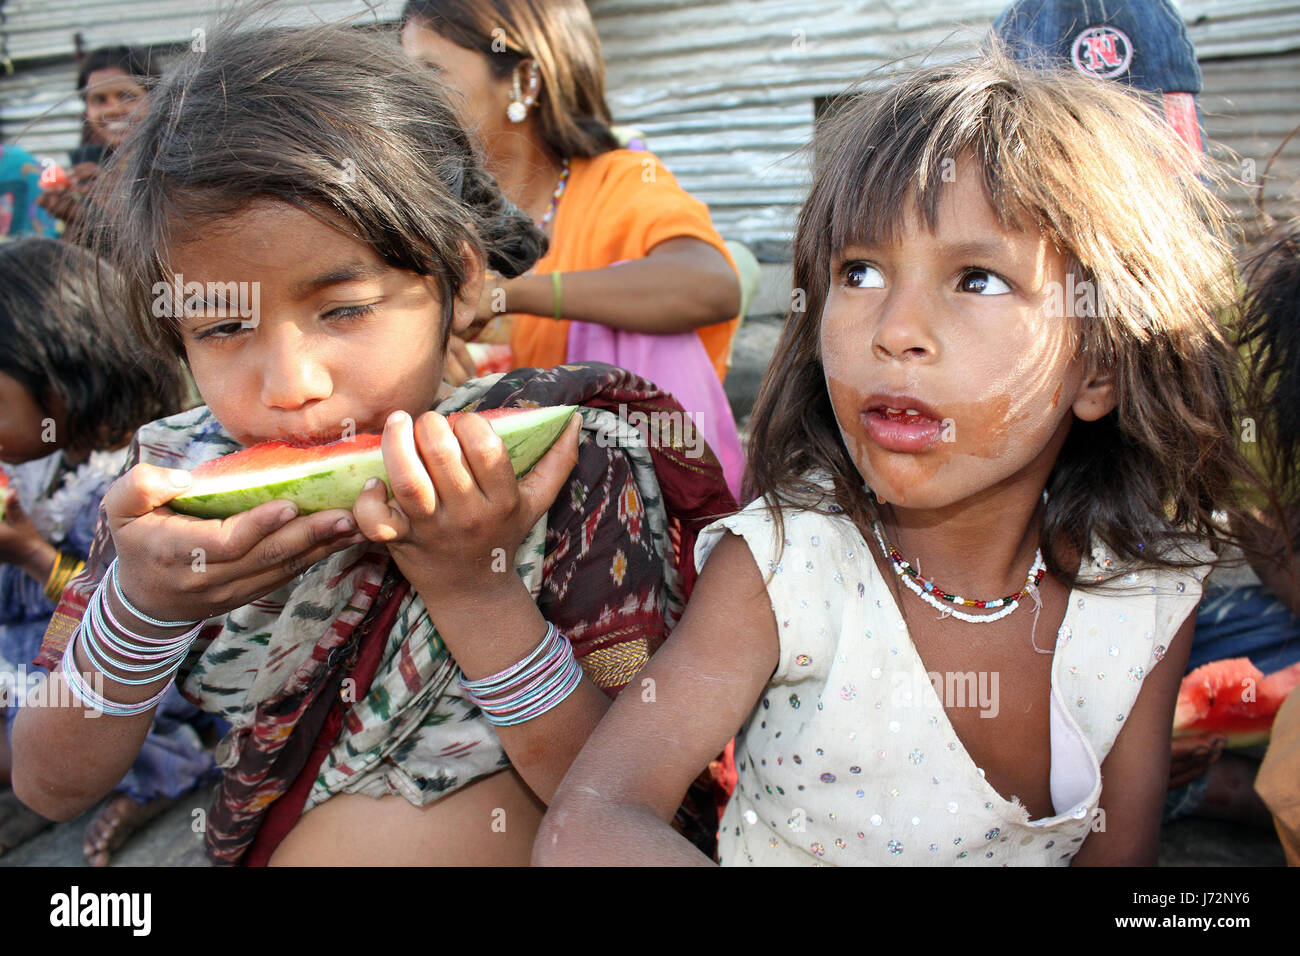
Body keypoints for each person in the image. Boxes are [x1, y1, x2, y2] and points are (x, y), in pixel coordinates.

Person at [10, 21, 735, 866]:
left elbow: (632, 808)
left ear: (461, 283)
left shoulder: (576, 466)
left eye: (344, 309)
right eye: (224, 325)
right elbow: (47, 785)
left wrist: (476, 592)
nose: (292, 383)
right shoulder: (171, 491)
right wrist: (142, 612)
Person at [533, 47, 1256, 866]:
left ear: (1098, 369)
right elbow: (591, 823)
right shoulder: (788, 567)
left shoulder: (1143, 598)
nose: (894, 330)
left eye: (978, 278)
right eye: (861, 270)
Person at [400, 0, 745, 494]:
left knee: (634, 315)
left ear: (524, 81)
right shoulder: (425, 210)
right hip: (470, 481)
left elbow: (710, 286)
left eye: (430, 72)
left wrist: (510, 294)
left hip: (615, 486)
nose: (409, 98)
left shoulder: (617, 183)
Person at [0, 238, 216, 864]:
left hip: (141, 675)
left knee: (34, 754)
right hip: (39, 663)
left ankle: (170, 773)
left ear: (65, 380)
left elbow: (113, 600)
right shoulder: (48, 470)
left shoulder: (135, 479)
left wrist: (29, 552)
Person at [37, 46, 158, 237]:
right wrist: (79, 218)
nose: (113, 110)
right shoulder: (88, 170)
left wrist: (119, 208)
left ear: (156, 99)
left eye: (127, 96)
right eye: (100, 100)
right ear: (86, 110)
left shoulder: (178, 164)